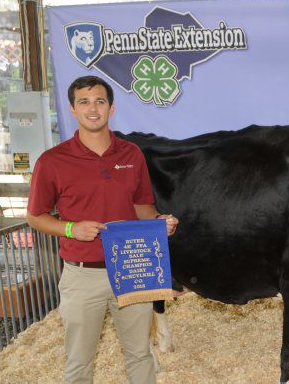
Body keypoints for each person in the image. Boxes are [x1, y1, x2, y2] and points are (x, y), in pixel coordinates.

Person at [26, 75, 179, 384]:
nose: (92, 109)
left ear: (111, 107)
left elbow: (142, 207)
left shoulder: (132, 154)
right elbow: (34, 216)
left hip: (133, 267)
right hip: (83, 275)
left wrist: (160, 223)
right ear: (72, 109)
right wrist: (71, 229)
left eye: (99, 101)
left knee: (140, 354)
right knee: (79, 362)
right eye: (84, 102)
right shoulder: (52, 161)